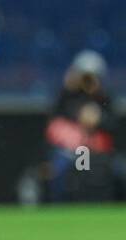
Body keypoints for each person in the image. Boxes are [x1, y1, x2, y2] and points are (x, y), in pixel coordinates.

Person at [46, 50, 116, 201]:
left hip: (98, 152)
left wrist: (98, 118)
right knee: (60, 169)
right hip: (70, 151)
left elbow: (113, 125)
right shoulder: (68, 95)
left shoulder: (104, 98)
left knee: (108, 172)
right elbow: (54, 121)